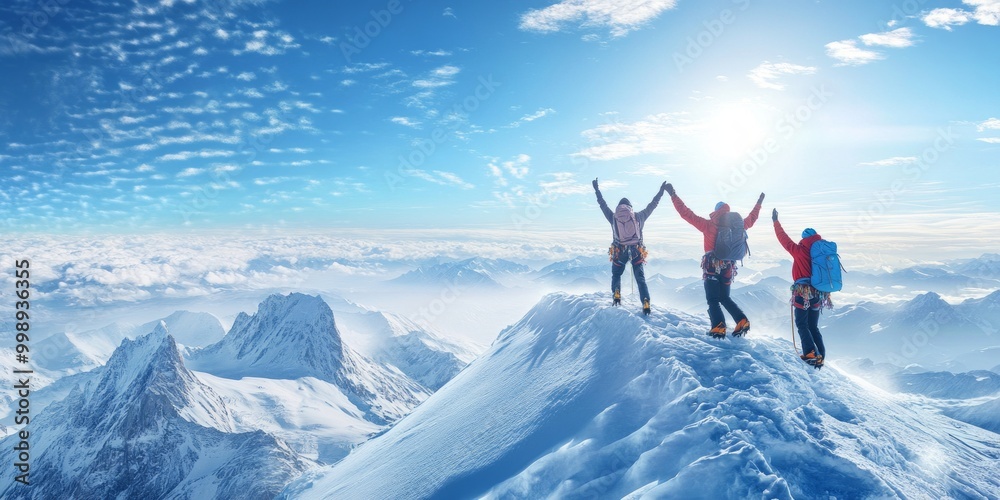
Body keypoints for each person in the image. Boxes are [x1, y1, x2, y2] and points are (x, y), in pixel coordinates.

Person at [665, 183, 763, 338]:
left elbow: (686, 213)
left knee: (712, 299)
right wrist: (759, 203)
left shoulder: (708, 225)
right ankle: (742, 320)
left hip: (712, 266)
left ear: (716, 211)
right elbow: (752, 218)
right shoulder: (738, 226)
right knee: (725, 297)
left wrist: (673, 194)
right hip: (729, 267)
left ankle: (718, 326)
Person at [592, 178, 666, 315]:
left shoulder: (614, 217)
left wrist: (597, 190)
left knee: (616, 274)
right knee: (640, 279)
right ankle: (645, 301)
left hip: (620, 251)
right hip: (636, 251)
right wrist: (661, 191)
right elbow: (653, 204)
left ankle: (617, 294)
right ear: (631, 208)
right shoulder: (639, 216)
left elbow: (603, 205)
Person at [772, 208, 832, 368]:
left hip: (803, 292)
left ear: (804, 239)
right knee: (813, 326)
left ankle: (811, 353)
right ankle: (820, 355)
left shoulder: (800, 251)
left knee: (802, 324)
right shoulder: (823, 253)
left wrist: (775, 222)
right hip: (819, 293)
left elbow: (784, 240)